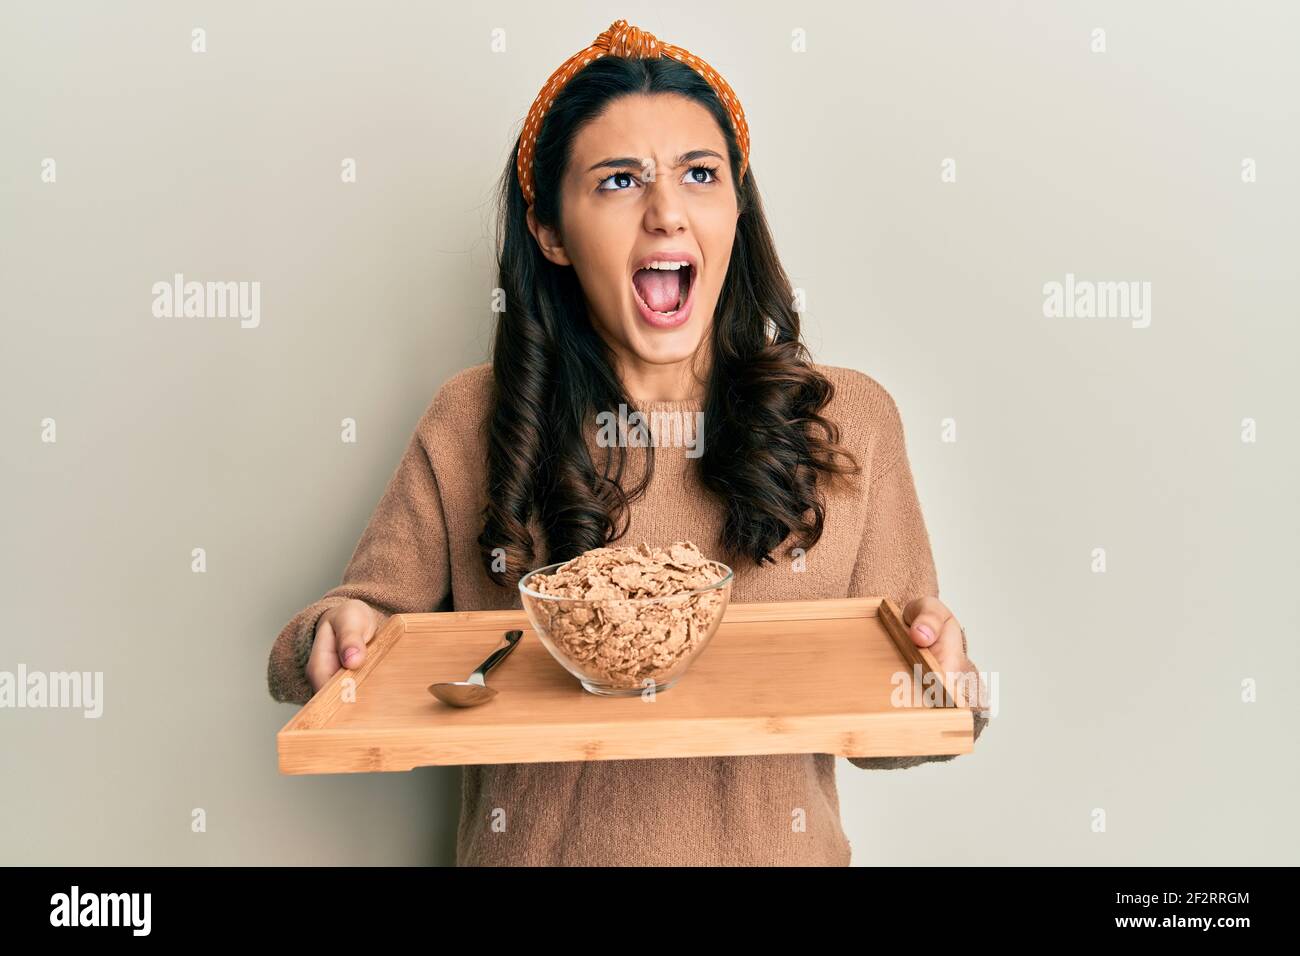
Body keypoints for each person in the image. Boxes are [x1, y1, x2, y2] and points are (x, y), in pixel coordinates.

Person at [267, 18, 988, 866]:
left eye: (700, 174)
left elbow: (898, 728)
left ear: (735, 208)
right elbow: (334, 644)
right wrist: (337, 630)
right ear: (551, 232)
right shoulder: (474, 419)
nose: (665, 212)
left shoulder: (849, 423)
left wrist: (948, 686)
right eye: (618, 181)